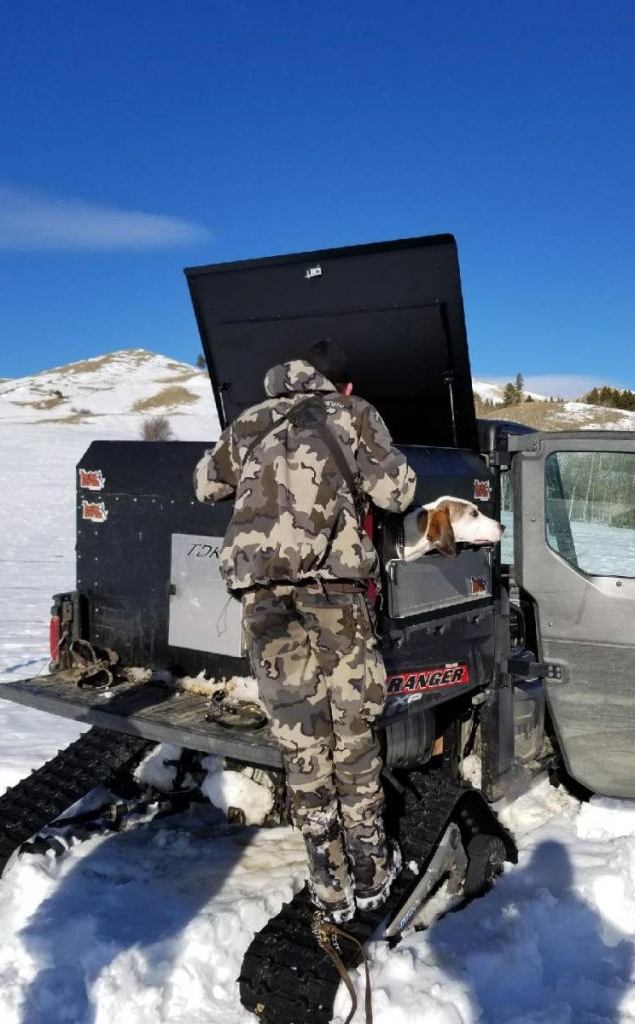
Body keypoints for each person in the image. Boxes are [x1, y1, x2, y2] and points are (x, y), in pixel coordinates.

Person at [193, 340, 416, 922]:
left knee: (301, 740)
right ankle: (370, 872)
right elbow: (399, 492)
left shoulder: (250, 420)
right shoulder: (354, 412)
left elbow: (204, 485)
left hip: (261, 599)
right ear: (341, 385)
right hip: (333, 596)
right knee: (352, 731)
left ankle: (329, 886)